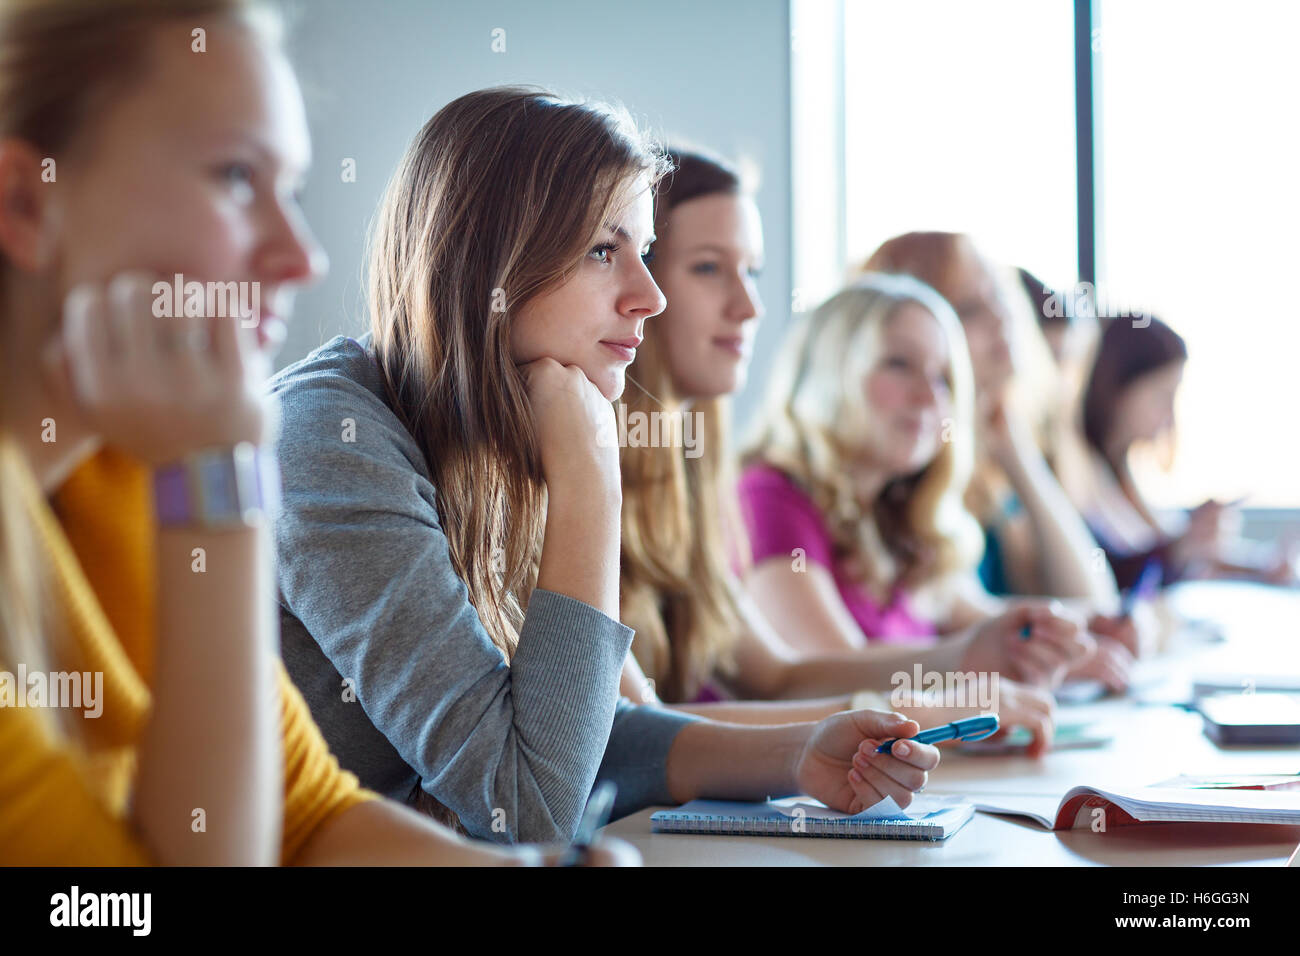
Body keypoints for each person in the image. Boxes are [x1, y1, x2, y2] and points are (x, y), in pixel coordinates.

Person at [0, 0, 627, 866]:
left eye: (289, 190)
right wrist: (218, 484)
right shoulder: (211, 459)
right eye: (232, 178)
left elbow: (309, 815)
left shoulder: (120, 471)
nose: (302, 257)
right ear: (25, 203)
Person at [270, 87, 942, 844]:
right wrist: (591, 479)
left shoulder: (492, 433)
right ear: (490, 261)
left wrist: (799, 755)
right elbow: (527, 803)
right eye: (602, 250)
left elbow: (571, 733)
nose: (647, 296)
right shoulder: (332, 441)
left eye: (644, 254)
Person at [614, 149, 1076, 752]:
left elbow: (776, 676)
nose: (750, 306)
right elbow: (634, 729)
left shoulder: (694, 478)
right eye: (708, 268)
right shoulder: (749, 490)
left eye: (752, 272)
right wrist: (926, 704)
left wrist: (963, 658)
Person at [1062, 314, 1296, 589]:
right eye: (1161, 396)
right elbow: (1110, 575)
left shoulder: (1120, 471)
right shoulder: (1077, 470)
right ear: (1118, 387)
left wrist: (1259, 567)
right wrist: (1179, 548)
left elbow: (1164, 550)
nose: (1169, 418)